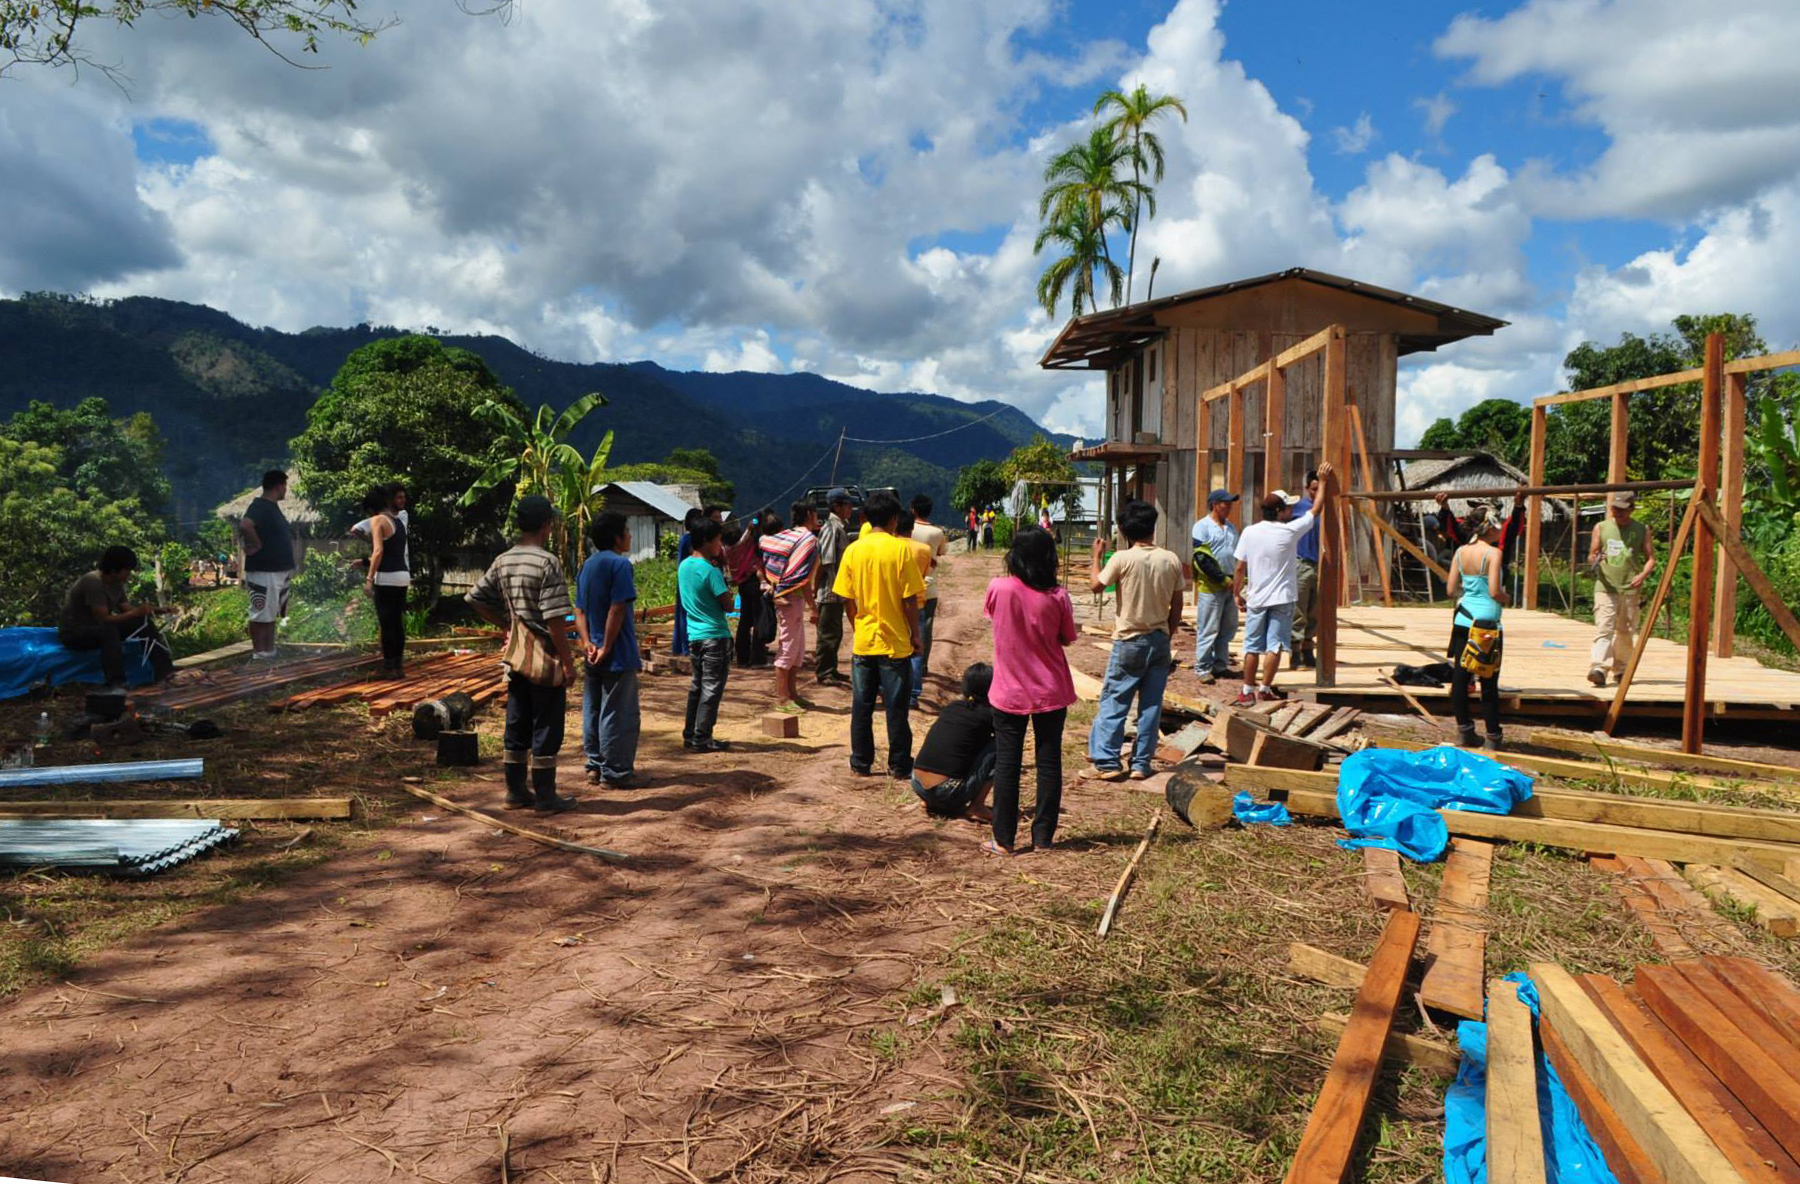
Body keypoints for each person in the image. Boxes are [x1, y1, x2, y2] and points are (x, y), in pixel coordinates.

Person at [466, 495, 578, 813]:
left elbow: (474, 599)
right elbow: (555, 619)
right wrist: (568, 663)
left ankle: (515, 791)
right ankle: (545, 796)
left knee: (517, 721)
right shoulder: (547, 562)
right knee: (546, 723)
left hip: (516, 655)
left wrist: (506, 624)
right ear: (547, 525)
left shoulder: (503, 560)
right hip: (543, 654)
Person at [983, 524, 1077, 855]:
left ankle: (1004, 839)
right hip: (1051, 690)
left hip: (1008, 691)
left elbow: (993, 618)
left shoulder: (999, 588)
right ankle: (1043, 838)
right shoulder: (1058, 596)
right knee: (1049, 762)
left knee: (1007, 762)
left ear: (1014, 556)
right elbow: (1066, 637)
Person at [1086, 499, 1184, 781]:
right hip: (1160, 639)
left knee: (1115, 700)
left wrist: (1097, 557)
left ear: (1124, 531)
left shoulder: (1121, 558)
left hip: (1129, 639)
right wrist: (1170, 631)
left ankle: (1107, 762)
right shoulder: (1171, 559)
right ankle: (1141, 763)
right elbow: (1176, 605)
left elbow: (1096, 586)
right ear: (1154, 528)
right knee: (1151, 705)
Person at [832, 490, 925, 779]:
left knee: (862, 706)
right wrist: (915, 634)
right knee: (896, 708)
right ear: (895, 519)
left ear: (866, 518)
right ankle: (898, 764)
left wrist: (857, 625)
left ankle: (861, 761)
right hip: (895, 643)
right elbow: (910, 599)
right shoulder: (900, 550)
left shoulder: (853, 550)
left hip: (864, 642)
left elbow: (847, 599)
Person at [1234, 462, 1335, 706]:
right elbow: (1317, 509)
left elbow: (1239, 567)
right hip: (1282, 598)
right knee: (1275, 646)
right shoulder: (1289, 532)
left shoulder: (1250, 532)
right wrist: (1322, 482)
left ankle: (1247, 689)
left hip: (1256, 598)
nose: (1291, 509)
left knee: (1251, 647)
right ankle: (1265, 689)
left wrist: (1237, 593)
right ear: (1280, 511)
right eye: (1288, 507)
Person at [574, 511, 641, 788]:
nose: (630, 535)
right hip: (617, 653)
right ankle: (616, 772)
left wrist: (587, 642)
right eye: (626, 530)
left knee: (593, 708)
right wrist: (606, 646)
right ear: (616, 537)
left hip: (592, 652)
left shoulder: (587, 565)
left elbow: (579, 610)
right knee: (618, 712)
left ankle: (594, 765)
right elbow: (618, 607)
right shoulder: (620, 565)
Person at [58, 546, 173, 688]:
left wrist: (157, 610)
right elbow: (104, 619)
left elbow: (128, 609)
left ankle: (165, 672)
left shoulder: (116, 584)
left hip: (98, 628)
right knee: (109, 631)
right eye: (127, 570)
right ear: (113, 570)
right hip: (75, 632)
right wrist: (135, 613)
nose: (129, 574)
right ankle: (116, 682)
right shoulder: (93, 582)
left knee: (142, 622)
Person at [1447, 506, 1510, 749]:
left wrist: (1471, 593)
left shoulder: (1461, 552)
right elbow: (1494, 590)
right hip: (1486, 625)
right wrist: (1506, 597)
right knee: (1488, 680)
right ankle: (1493, 737)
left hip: (1463, 619)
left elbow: (1451, 590)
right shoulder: (1494, 554)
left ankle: (1465, 731)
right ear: (1489, 527)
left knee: (1461, 678)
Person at [911, 663, 998, 822]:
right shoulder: (989, 716)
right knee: (1000, 746)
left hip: (917, 784)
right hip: (947, 792)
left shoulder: (953, 707)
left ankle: (929, 800)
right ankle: (976, 807)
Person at [679, 517, 736, 753]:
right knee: (711, 688)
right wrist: (729, 591)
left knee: (697, 686)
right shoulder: (710, 571)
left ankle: (691, 734)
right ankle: (702, 737)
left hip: (695, 636)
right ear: (706, 541)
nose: (720, 545)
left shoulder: (684, 566)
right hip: (715, 635)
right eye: (717, 540)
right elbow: (728, 605)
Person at [1587, 490, 1655, 687]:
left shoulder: (1642, 529)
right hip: (1605, 586)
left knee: (1625, 630)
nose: (1618, 513)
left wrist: (1642, 575)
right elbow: (1592, 554)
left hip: (1630, 588)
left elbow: (1651, 559)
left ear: (1631, 509)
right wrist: (1596, 559)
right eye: (1615, 508)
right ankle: (1599, 667)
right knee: (1604, 627)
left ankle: (1622, 669)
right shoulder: (1601, 527)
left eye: (1622, 509)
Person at [761, 500, 821, 712]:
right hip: (789, 600)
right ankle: (783, 698)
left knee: (797, 649)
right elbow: (802, 578)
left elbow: (769, 554)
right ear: (810, 514)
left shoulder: (789, 535)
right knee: (788, 649)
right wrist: (813, 606)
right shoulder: (808, 540)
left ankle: (793, 693)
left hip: (790, 598)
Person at [239, 469, 295, 659]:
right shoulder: (260, 506)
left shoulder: (271, 507)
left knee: (271, 613)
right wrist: (256, 543)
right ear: (279, 486)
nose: (286, 490)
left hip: (277, 569)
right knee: (260, 612)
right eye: (285, 486)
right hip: (264, 569)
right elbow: (245, 525)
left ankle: (269, 651)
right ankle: (259, 652)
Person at [1191, 488, 1241, 685]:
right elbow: (1201, 558)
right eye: (1225, 503)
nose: (1228, 507)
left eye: (1230, 504)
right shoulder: (1202, 526)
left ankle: (1220, 665)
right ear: (1214, 504)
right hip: (1212, 585)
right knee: (1208, 627)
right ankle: (1202, 667)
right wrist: (1223, 579)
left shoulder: (1230, 527)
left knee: (1227, 627)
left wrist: (1237, 580)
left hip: (1229, 584)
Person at [364, 482, 411, 678]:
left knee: (386, 623)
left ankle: (389, 668)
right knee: (397, 622)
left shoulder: (378, 520)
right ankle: (398, 666)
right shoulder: (398, 521)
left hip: (387, 577)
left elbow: (378, 551)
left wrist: (369, 579)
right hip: (403, 576)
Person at [909, 495, 949, 706]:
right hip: (928, 587)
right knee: (925, 629)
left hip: (904, 586)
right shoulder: (937, 533)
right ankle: (921, 667)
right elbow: (941, 553)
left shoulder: (906, 529)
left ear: (913, 509)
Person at [895, 509, 936, 708]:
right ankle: (912, 695)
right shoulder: (923, 549)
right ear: (912, 527)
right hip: (917, 602)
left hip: (892, 604)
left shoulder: (889, 547)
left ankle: (890, 689)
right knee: (916, 649)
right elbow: (926, 571)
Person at [813, 488, 853, 685]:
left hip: (837, 591)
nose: (850, 508)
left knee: (835, 632)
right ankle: (824, 671)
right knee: (828, 633)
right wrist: (839, 587)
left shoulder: (839, 527)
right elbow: (827, 562)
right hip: (831, 590)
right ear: (837, 506)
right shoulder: (831, 528)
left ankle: (832, 668)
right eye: (847, 504)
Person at [728, 516, 771, 669]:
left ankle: (742, 658)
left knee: (744, 621)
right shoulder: (742, 544)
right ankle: (758, 659)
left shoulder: (728, 551)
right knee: (759, 619)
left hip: (742, 584)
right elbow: (751, 526)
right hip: (754, 582)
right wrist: (756, 520)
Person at [1290, 471, 1322, 669]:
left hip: (1321, 565)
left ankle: (1308, 649)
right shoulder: (1299, 507)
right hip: (1301, 563)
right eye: (1313, 490)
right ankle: (1294, 651)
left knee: (1315, 611)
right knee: (1298, 609)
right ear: (1306, 489)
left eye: (1320, 490)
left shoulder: (1329, 507)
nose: (1316, 493)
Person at [670, 507, 705, 657]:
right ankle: (686, 647)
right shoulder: (689, 539)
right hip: (688, 580)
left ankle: (683, 646)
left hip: (686, 579)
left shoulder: (688, 538)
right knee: (685, 613)